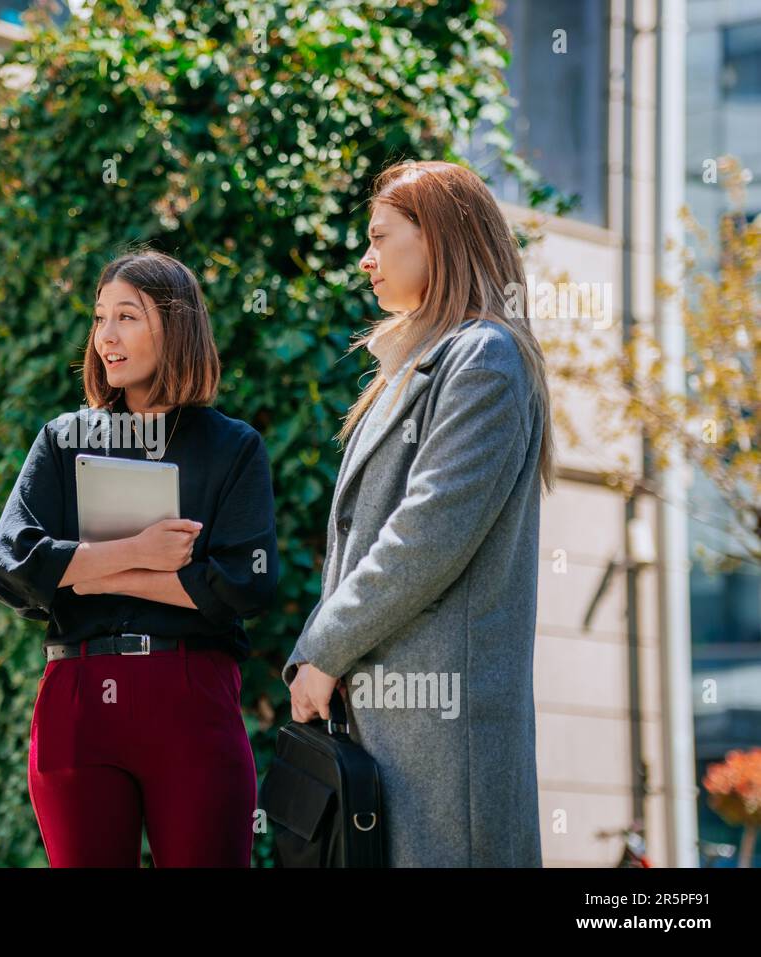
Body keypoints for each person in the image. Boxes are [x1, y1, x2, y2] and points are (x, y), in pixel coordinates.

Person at [282, 160, 556, 867]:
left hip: (443, 736)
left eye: (380, 236)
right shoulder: (422, 362)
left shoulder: (484, 357)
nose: (366, 259)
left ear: (437, 235)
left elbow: (425, 534)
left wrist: (324, 646)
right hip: (398, 728)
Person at [0, 249, 280, 867]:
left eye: (127, 317)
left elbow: (245, 584)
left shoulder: (232, 448)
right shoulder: (65, 439)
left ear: (175, 328)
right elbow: (11, 565)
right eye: (100, 318)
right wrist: (140, 555)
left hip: (192, 697)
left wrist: (89, 576)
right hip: (79, 695)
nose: (106, 337)